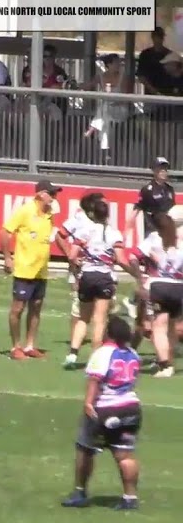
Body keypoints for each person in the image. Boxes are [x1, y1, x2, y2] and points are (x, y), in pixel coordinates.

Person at [60, 315, 143, 510]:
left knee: (85, 450)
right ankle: (130, 497)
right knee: (125, 455)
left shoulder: (102, 353)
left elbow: (95, 380)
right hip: (131, 407)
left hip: (106, 408)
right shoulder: (133, 353)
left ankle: (80, 492)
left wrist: (88, 403)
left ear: (109, 333)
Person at [0, 180, 61, 359]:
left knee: (36, 308)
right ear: (41, 194)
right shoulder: (26, 211)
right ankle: (15, 347)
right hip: (24, 269)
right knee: (17, 309)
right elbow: (5, 232)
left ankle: (30, 345)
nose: (54, 197)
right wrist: (7, 257)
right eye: (51, 193)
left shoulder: (49, 215)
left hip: (41, 270)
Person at [63, 197, 127, 369]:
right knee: (99, 319)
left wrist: (78, 266)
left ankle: (72, 354)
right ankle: (95, 359)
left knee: (83, 318)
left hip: (87, 276)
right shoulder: (114, 233)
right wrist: (135, 272)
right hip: (104, 277)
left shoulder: (84, 231)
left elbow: (71, 255)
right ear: (107, 215)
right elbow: (121, 260)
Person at [124, 214, 183, 378]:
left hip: (158, 285)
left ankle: (164, 364)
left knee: (158, 327)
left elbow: (133, 257)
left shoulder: (154, 238)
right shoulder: (180, 240)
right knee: (171, 327)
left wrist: (139, 278)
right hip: (179, 287)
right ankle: (169, 361)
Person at [125, 158, 176, 318]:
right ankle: (138, 302)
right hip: (153, 234)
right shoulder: (147, 189)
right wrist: (127, 232)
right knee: (151, 270)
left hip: (166, 234)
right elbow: (136, 211)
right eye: (160, 168)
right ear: (154, 170)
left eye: (165, 168)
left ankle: (138, 301)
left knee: (164, 269)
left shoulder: (169, 189)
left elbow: (172, 213)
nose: (163, 171)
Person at [58, 193, 104, 352]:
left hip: (98, 269)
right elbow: (60, 235)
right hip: (80, 268)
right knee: (78, 303)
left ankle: (94, 337)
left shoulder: (101, 222)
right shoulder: (79, 219)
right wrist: (71, 256)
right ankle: (75, 338)